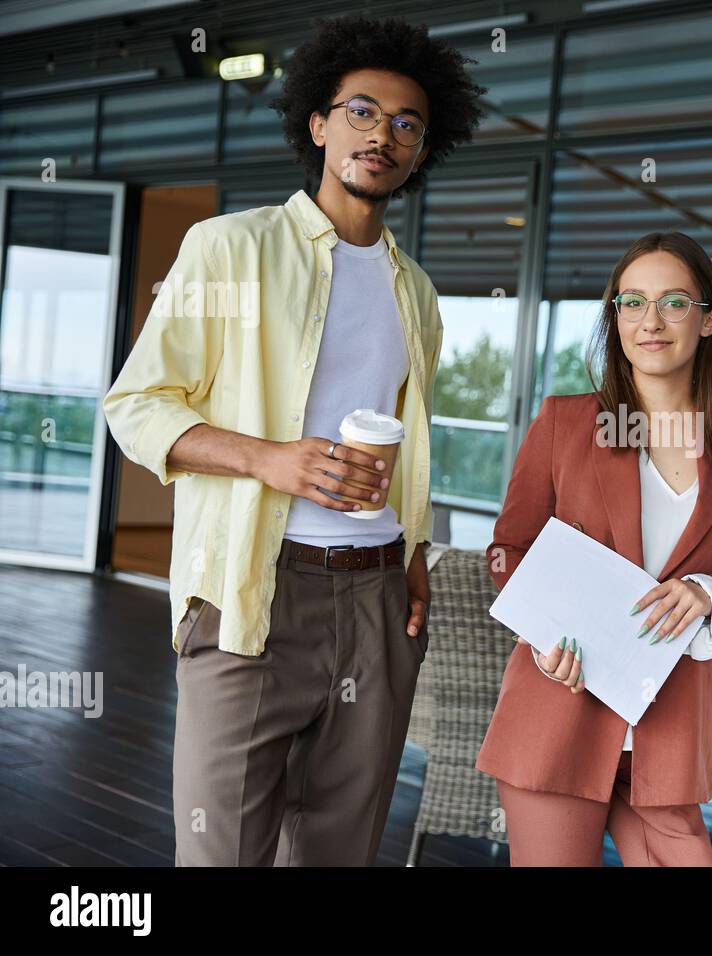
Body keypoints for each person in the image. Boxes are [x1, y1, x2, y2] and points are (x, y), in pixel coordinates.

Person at [101, 15, 483, 866]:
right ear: (317, 122)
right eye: (361, 111)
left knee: (335, 852)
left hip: (380, 599)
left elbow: (408, 447)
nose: (382, 134)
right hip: (252, 595)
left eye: (406, 123)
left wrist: (415, 549)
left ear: (422, 149)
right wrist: (272, 459)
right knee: (220, 847)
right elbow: (137, 405)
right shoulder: (230, 250)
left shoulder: (415, 294)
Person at [475, 232, 712, 866]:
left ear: (709, 319)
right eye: (631, 302)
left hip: (671, 732)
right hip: (559, 715)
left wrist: (711, 593)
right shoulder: (565, 423)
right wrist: (545, 636)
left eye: (674, 301)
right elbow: (509, 550)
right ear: (614, 317)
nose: (651, 321)